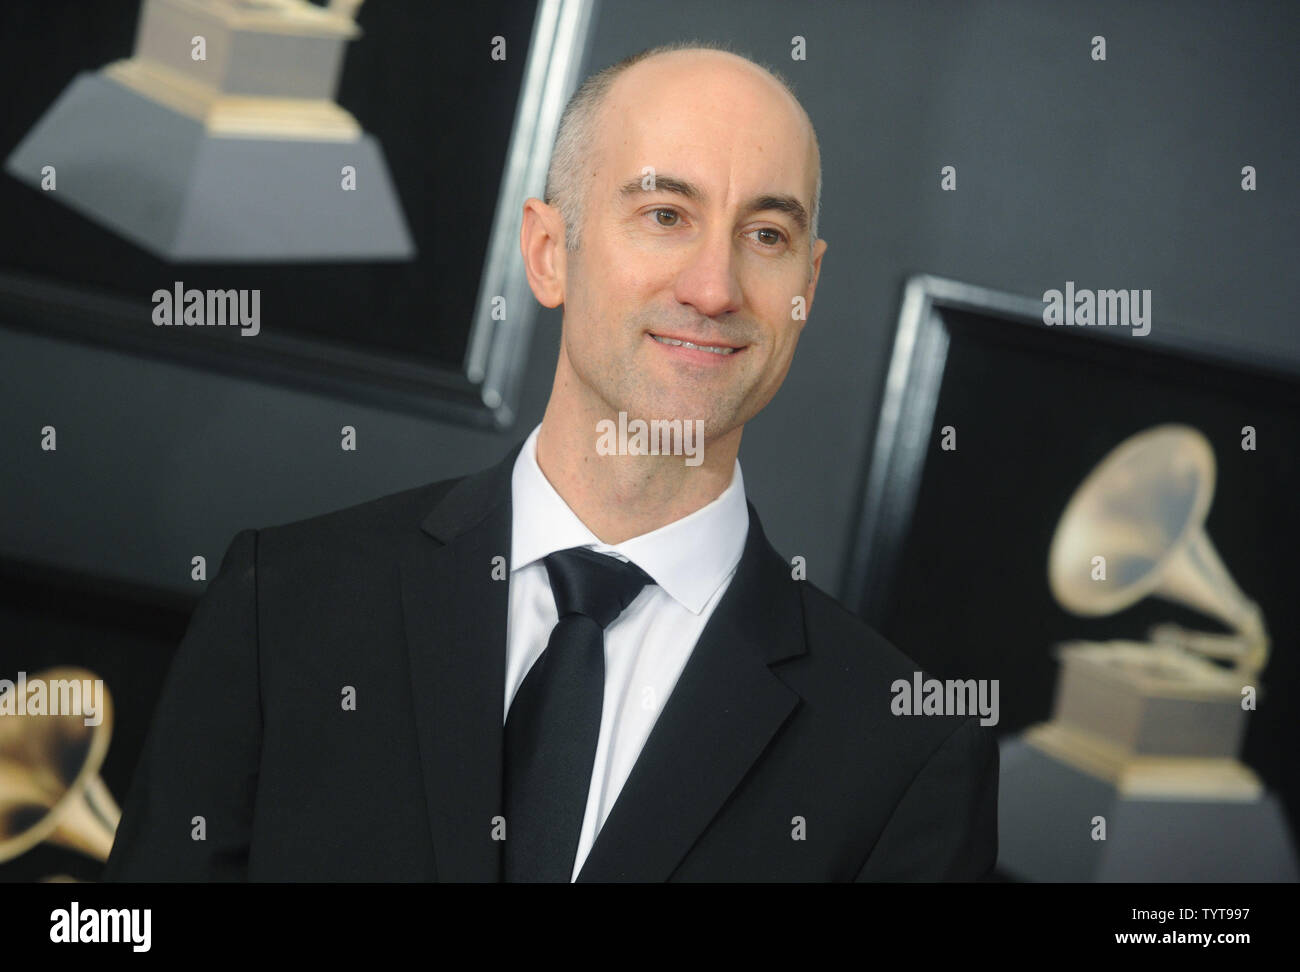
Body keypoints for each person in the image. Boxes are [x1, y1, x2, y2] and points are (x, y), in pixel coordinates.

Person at [105, 41, 997, 882]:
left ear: (806, 286)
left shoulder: (906, 749)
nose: (715, 288)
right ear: (546, 251)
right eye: (664, 215)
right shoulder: (284, 605)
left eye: (766, 235)